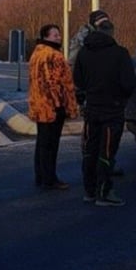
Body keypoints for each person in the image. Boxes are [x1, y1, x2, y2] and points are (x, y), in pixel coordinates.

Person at [73, 10, 136, 207]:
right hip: (113, 110)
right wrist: (120, 98)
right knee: (107, 152)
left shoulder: (84, 52)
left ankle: (89, 191)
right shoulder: (120, 53)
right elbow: (128, 83)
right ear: (111, 32)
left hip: (92, 108)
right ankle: (105, 192)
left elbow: (78, 80)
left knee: (89, 150)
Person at [28, 24, 79, 190]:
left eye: (58, 34)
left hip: (39, 104)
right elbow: (58, 83)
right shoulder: (54, 56)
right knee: (51, 144)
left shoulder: (36, 54)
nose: (59, 37)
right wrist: (63, 105)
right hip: (52, 106)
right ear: (46, 37)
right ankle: (50, 178)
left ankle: (41, 175)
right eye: (55, 35)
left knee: (42, 143)